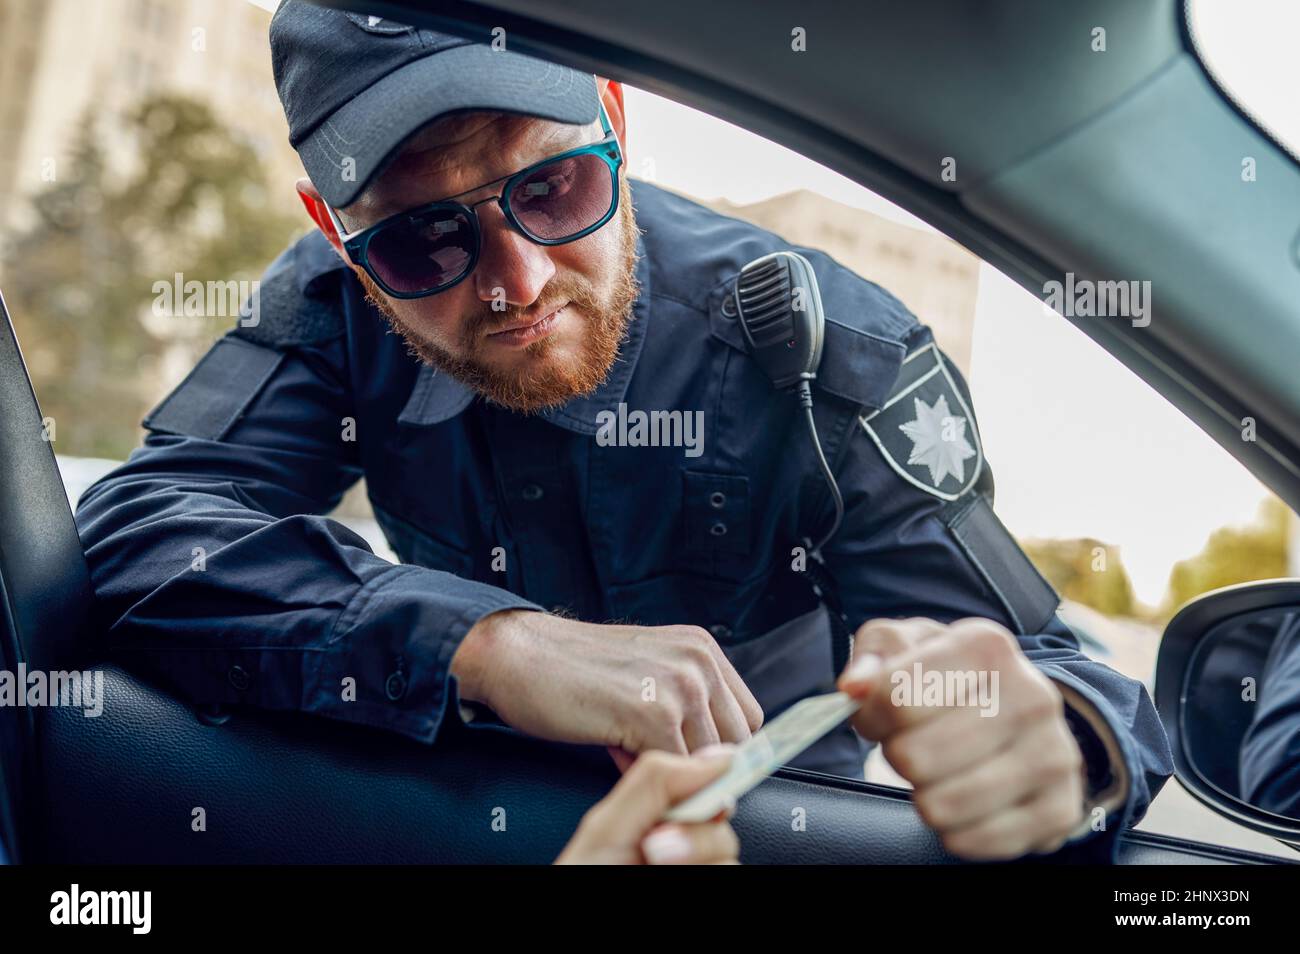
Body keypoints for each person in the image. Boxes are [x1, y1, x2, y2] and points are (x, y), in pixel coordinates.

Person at [75, 1, 1172, 861]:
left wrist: (1056, 740)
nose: (517, 283)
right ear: (335, 231)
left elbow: (1046, 672)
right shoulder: (330, 303)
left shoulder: (832, 349)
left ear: (617, 120)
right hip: (472, 810)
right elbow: (139, 528)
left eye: (551, 188)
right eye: (420, 244)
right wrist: (480, 639)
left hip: (776, 830)